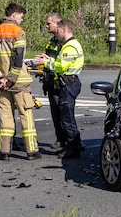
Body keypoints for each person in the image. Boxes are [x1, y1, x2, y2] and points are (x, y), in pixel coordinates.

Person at [0, 3, 41, 161]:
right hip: (19, 82)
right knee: (26, 114)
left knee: (5, 116)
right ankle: (32, 151)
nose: (22, 20)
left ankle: (4, 151)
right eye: (21, 17)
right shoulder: (18, 31)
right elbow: (19, 57)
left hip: (0, 83)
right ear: (14, 15)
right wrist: (10, 79)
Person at [34, 18, 85, 158]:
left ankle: (73, 148)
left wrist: (45, 63)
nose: (57, 33)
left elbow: (60, 66)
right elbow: (59, 62)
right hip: (67, 83)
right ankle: (72, 145)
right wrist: (48, 59)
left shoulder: (70, 47)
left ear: (64, 30)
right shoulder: (69, 45)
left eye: (58, 31)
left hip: (67, 84)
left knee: (67, 119)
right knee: (65, 117)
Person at [37, 13, 66, 151]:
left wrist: (48, 61)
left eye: (49, 23)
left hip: (61, 82)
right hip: (50, 81)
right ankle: (60, 139)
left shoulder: (64, 42)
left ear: (57, 24)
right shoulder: (52, 41)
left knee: (64, 114)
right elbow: (51, 57)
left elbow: (61, 63)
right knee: (55, 113)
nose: (47, 26)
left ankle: (70, 142)